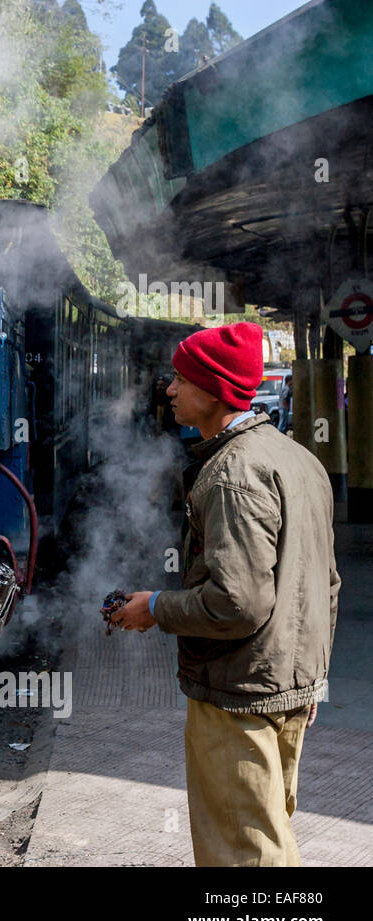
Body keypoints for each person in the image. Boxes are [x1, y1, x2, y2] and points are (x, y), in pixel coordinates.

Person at [110, 322, 339, 867]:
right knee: (267, 831)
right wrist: (313, 681)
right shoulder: (299, 459)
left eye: (181, 380)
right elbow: (325, 583)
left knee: (243, 852)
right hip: (286, 685)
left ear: (213, 391)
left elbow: (238, 603)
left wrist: (156, 609)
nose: (169, 390)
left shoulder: (231, 473)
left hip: (241, 693)